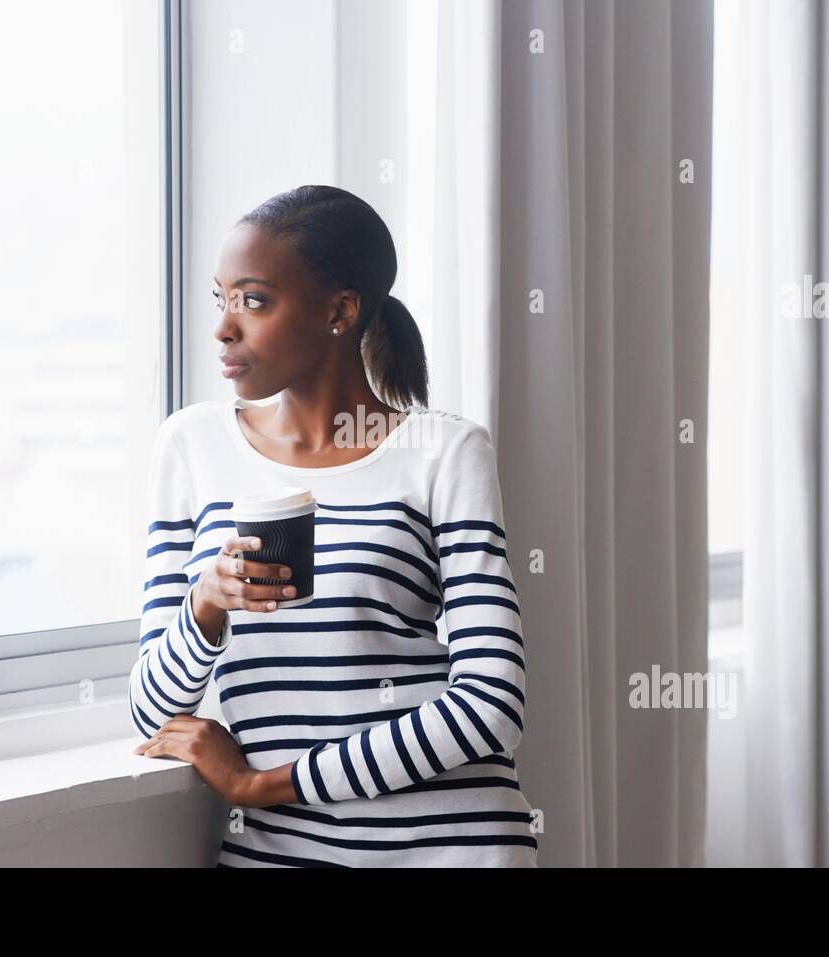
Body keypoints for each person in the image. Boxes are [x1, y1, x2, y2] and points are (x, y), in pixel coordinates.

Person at [127, 184, 536, 867]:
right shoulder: (190, 446)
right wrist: (204, 603)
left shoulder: (444, 451)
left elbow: (493, 702)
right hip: (277, 854)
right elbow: (152, 714)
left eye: (254, 300)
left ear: (339, 311)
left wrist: (264, 784)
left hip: (449, 850)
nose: (225, 328)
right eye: (220, 300)